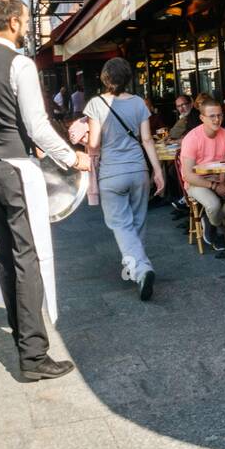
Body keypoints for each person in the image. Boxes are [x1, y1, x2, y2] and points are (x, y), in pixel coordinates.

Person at [0, 0, 91, 382]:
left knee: (2, 254)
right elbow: (36, 125)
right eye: (27, 20)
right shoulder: (20, 64)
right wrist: (72, 158)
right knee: (28, 258)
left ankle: (24, 341)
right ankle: (33, 356)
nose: (29, 26)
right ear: (15, 23)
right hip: (15, 170)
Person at [85, 57, 165, 300]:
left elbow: (94, 145)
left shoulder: (96, 104)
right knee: (138, 222)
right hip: (138, 171)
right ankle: (136, 270)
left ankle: (141, 269)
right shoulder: (139, 103)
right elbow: (147, 140)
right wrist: (158, 170)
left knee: (121, 225)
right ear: (128, 78)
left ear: (105, 78)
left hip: (111, 174)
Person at [180, 98, 225, 254]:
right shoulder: (192, 138)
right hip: (197, 181)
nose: (217, 119)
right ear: (202, 118)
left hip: (219, 179)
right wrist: (215, 187)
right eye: (212, 116)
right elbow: (187, 175)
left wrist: (222, 182)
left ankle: (209, 220)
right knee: (213, 205)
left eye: (220, 115)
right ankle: (216, 225)